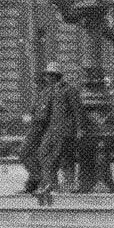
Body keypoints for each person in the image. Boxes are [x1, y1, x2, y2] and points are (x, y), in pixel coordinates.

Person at [34, 63, 82, 195]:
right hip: (51, 129)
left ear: (56, 76)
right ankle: (51, 183)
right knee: (43, 153)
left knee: (64, 157)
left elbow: (77, 111)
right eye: (47, 74)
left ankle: (69, 184)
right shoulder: (50, 90)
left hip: (65, 129)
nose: (47, 77)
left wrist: (79, 129)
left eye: (49, 75)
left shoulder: (69, 90)